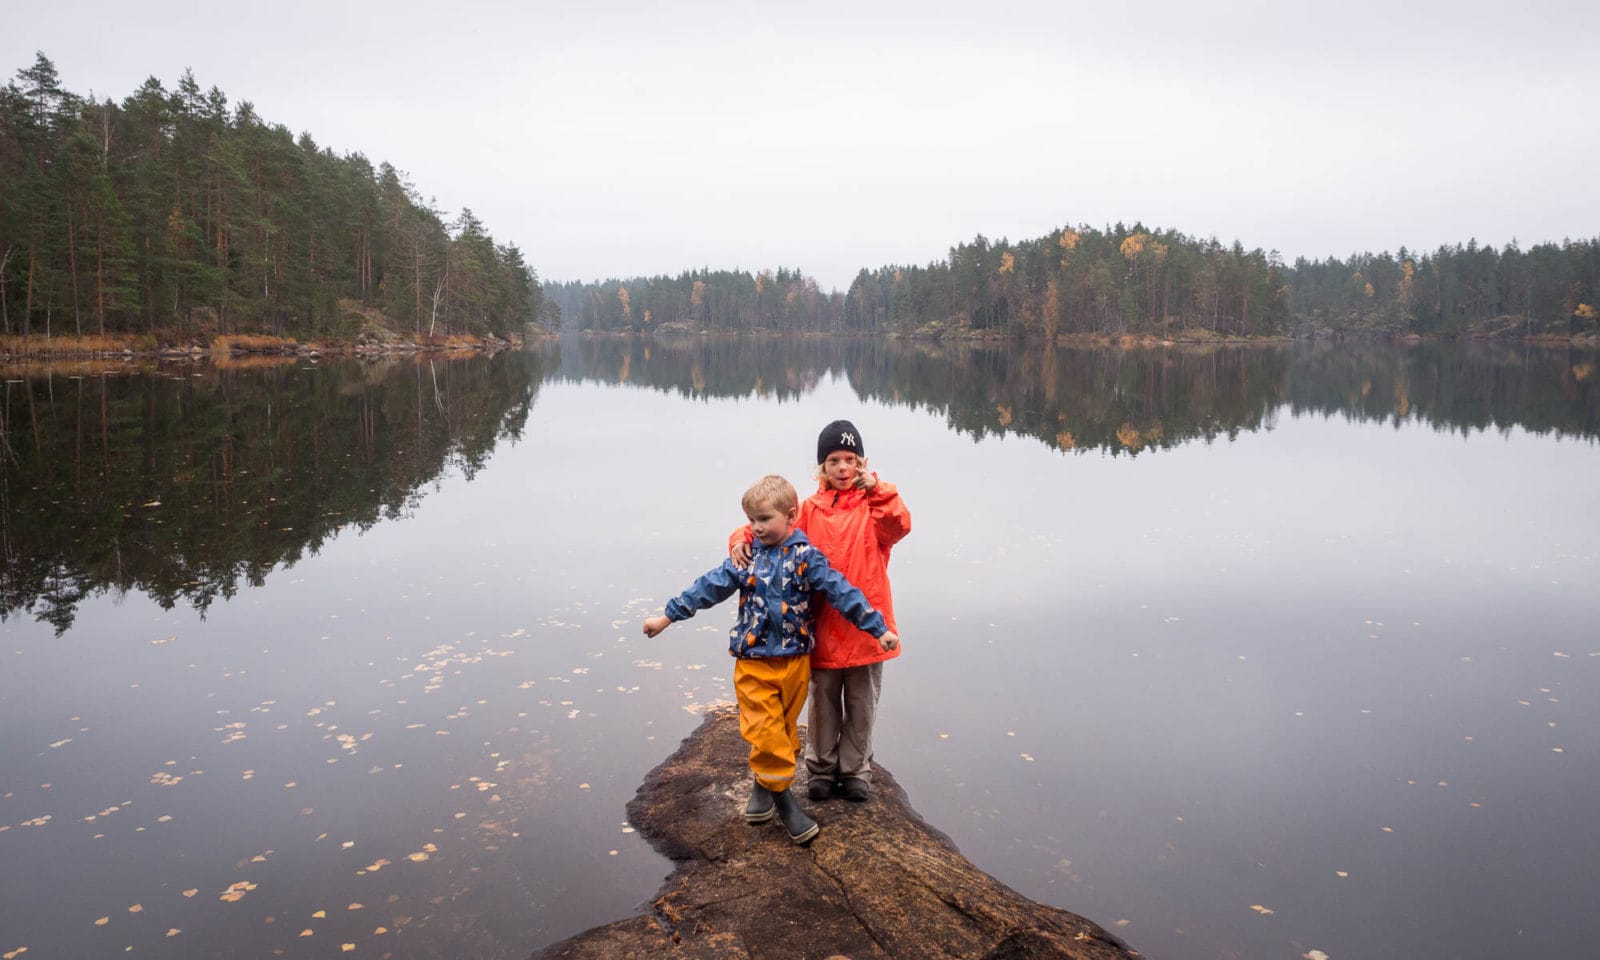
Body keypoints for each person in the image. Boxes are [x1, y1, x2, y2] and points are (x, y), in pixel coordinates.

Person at [644, 474, 899, 844]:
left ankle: (762, 788)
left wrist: (878, 629)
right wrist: (667, 617)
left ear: (791, 516)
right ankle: (784, 802)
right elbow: (707, 588)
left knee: (780, 731)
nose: (756, 528)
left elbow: (843, 593)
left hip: (795, 663)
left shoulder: (807, 558)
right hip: (753, 662)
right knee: (764, 730)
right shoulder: (745, 559)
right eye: (751, 520)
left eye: (764, 519)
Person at [730, 419, 911, 804]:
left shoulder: (875, 507)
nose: (843, 469)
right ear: (822, 468)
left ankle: (856, 771)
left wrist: (879, 490)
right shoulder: (808, 510)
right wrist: (737, 541)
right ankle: (821, 769)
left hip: (867, 623)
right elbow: (768, 525)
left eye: (850, 460)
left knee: (862, 703)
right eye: (833, 461)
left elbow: (900, 525)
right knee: (823, 701)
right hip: (821, 623)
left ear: (862, 463)